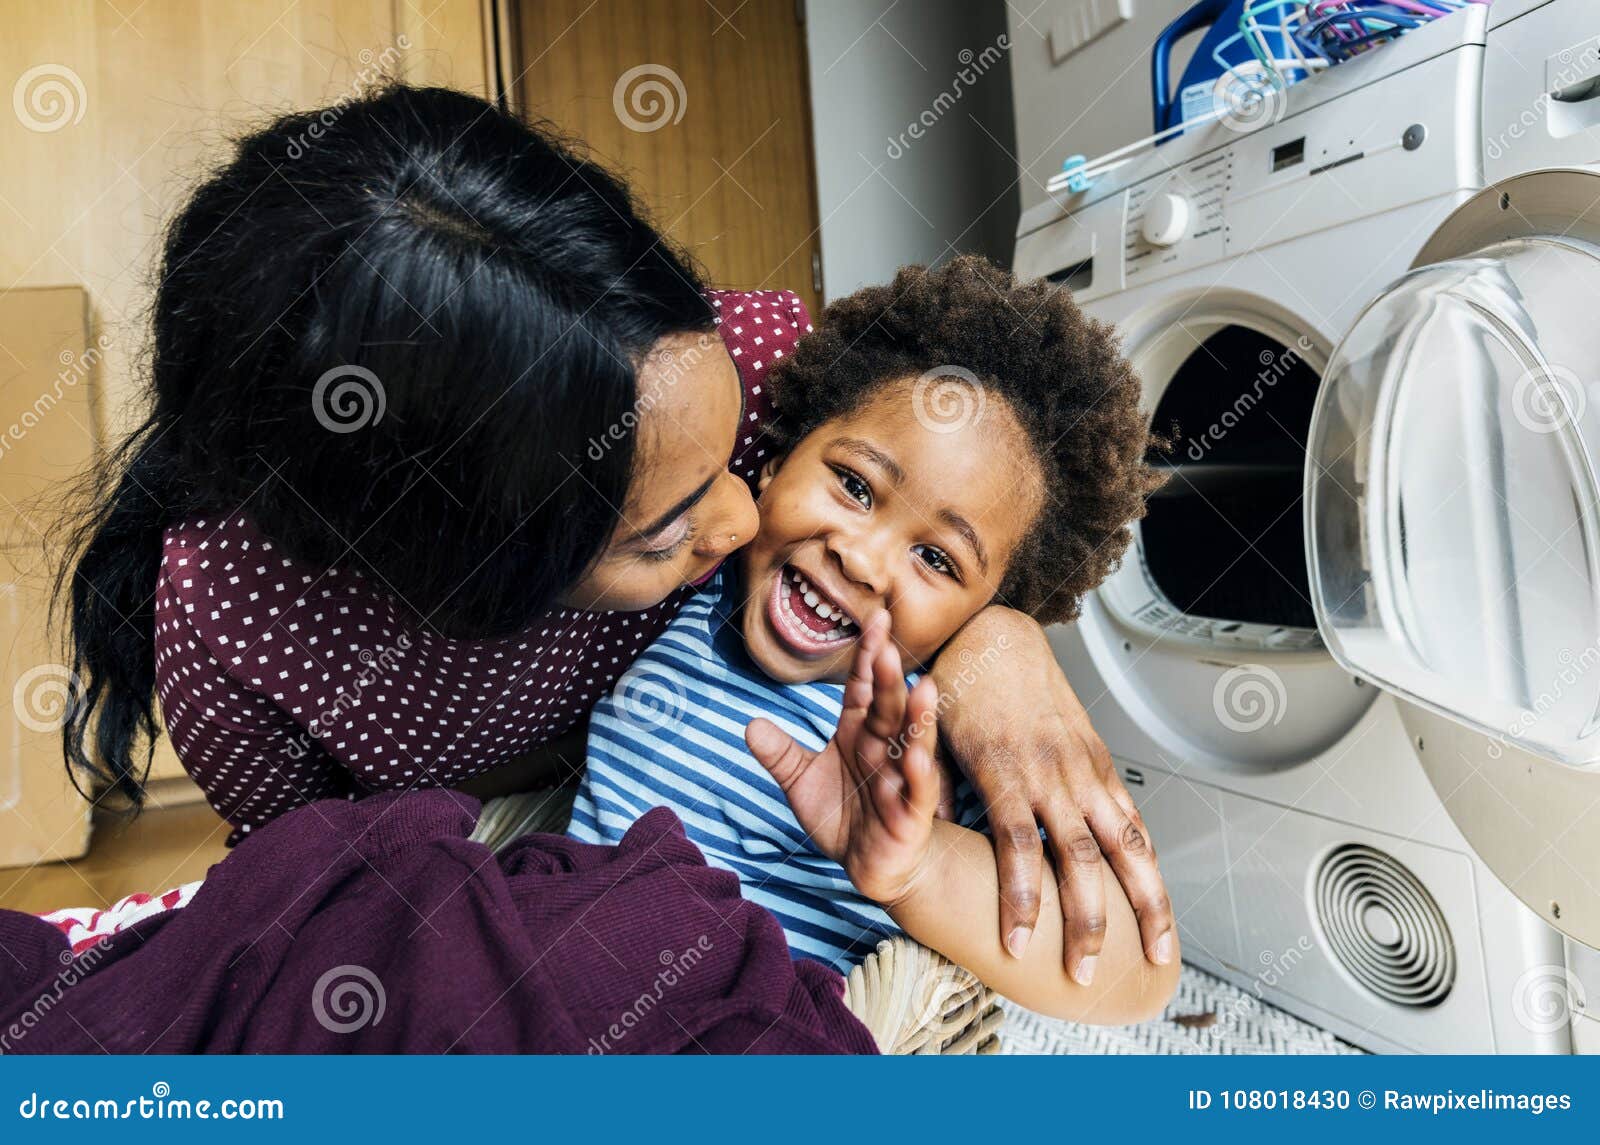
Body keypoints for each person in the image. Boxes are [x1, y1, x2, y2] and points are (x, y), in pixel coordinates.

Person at [61, 84, 1173, 977]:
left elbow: (970, 506)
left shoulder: (757, 368)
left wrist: (997, 645)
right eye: (665, 526)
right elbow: (355, 908)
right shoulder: (243, 640)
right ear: (477, 576)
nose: (742, 516)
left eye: (739, 453)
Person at [569, 257, 1179, 1013]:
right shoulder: (700, 572)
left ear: (987, 612)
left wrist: (916, 862)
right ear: (779, 455)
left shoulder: (926, 729)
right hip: (559, 964)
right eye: (854, 484)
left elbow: (1136, 978)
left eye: (936, 558)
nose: (859, 556)